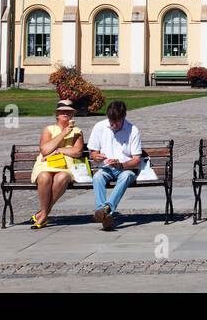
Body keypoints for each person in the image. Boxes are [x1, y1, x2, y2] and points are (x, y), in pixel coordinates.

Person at [28, 100, 85, 229]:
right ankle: (44, 214)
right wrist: (63, 133)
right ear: (57, 114)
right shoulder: (49, 129)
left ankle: (43, 214)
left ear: (72, 115)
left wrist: (58, 150)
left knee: (62, 177)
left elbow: (77, 152)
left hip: (66, 165)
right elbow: (44, 150)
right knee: (44, 177)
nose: (66, 113)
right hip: (46, 163)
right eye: (62, 111)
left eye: (69, 112)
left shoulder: (77, 131)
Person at [89, 99, 142, 231]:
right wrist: (96, 156)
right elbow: (93, 153)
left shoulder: (133, 130)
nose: (113, 124)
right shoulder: (100, 127)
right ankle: (105, 213)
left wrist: (122, 165)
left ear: (123, 117)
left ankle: (105, 210)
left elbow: (136, 160)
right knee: (97, 177)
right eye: (111, 121)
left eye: (117, 122)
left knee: (125, 177)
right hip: (106, 167)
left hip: (126, 169)